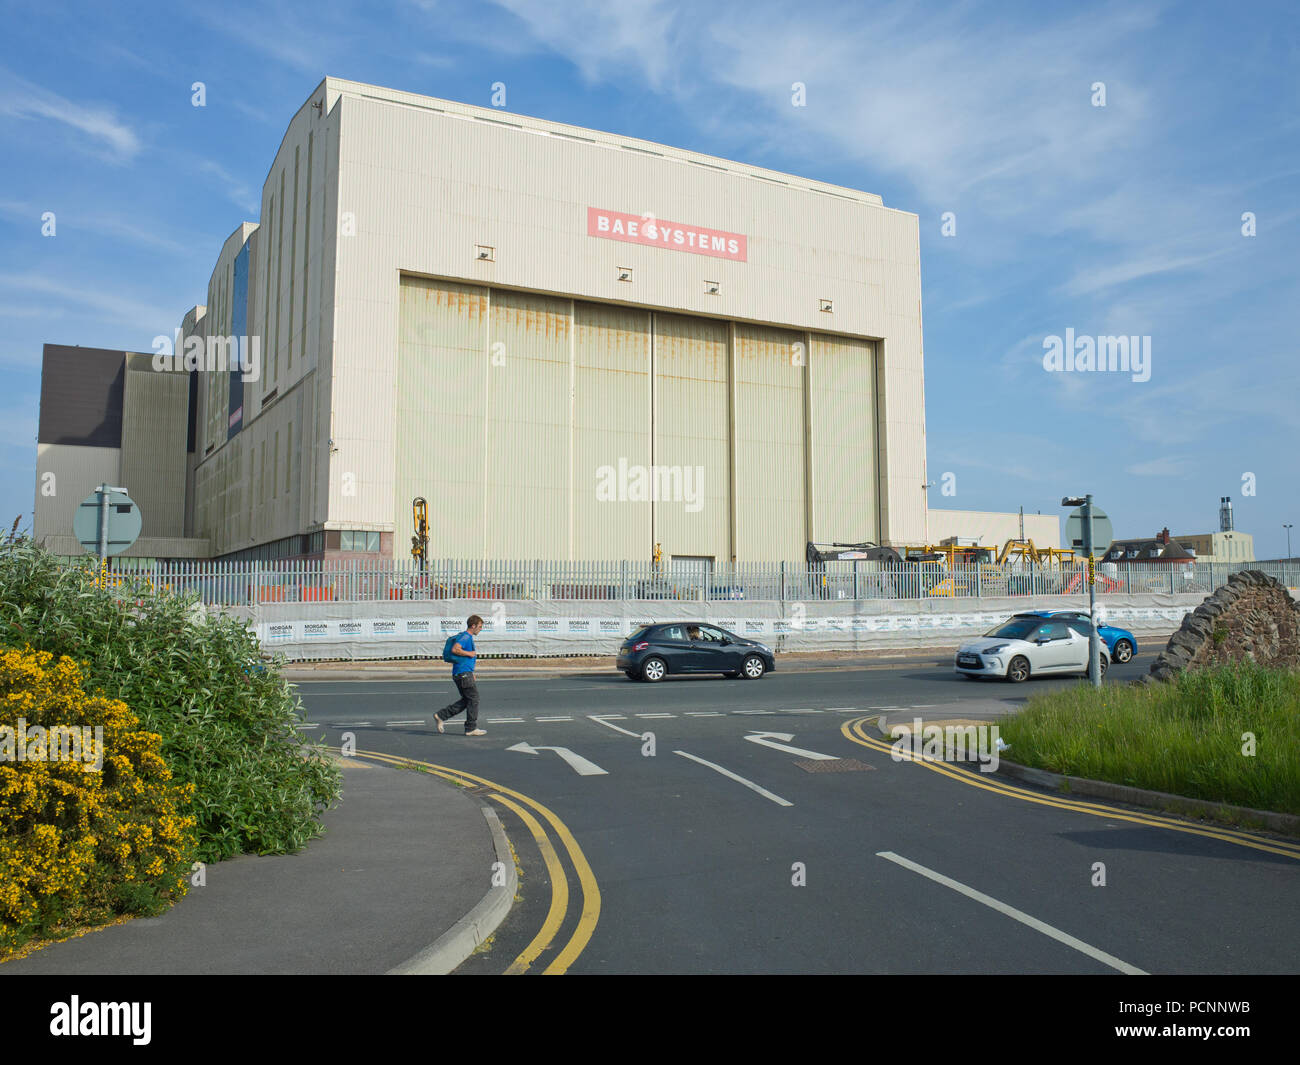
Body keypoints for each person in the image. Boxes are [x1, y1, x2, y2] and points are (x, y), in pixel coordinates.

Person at [436, 615, 486, 736]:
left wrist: (471, 673)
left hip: (462, 673)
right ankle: (470, 728)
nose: (481, 629)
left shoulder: (467, 637)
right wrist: (469, 653)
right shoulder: (466, 636)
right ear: (473, 626)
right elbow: (455, 649)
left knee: (467, 700)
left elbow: (463, 658)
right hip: (463, 674)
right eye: (479, 626)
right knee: (474, 699)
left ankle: (441, 716)